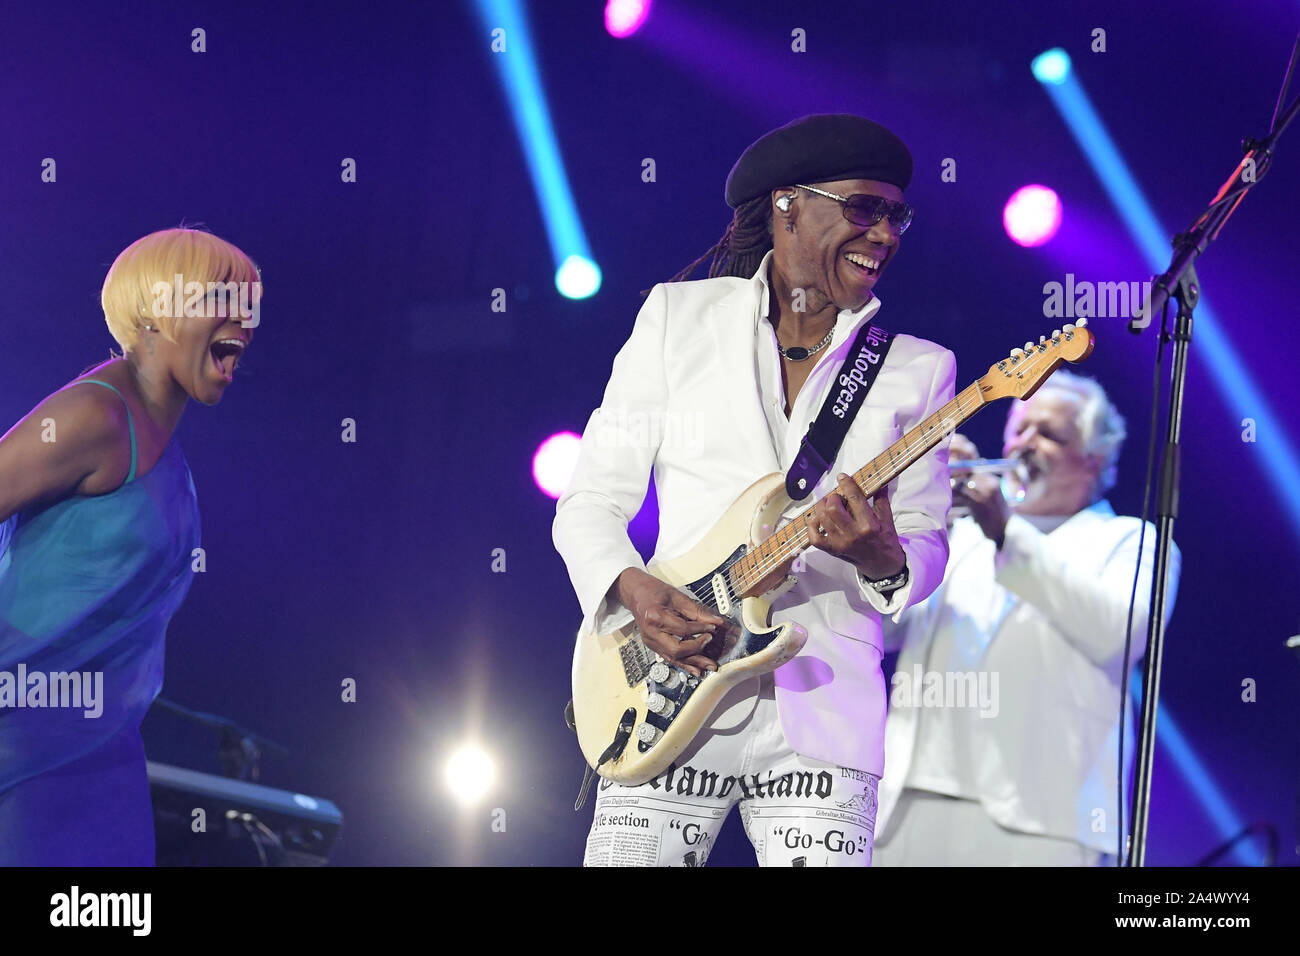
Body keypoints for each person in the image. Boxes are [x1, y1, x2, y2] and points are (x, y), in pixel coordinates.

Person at [553, 114, 956, 867]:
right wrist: (631, 590)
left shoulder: (916, 369)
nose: (886, 234)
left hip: (824, 707)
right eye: (863, 208)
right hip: (667, 686)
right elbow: (590, 502)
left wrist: (883, 557)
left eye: (896, 215)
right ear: (788, 205)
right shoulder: (676, 318)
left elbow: (927, 544)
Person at [0, 227, 260, 865]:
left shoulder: (165, 443)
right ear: (160, 307)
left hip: (102, 756)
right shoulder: (95, 415)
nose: (245, 325)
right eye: (225, 300)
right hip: (22, 751)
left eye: (251, 307)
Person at [871, 371, 1180, 866]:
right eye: (1019, 429)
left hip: (1042, 823)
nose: (1024, 444)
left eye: (1050, 434)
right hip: (910, 807)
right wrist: (912, 518)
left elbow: (1120, 637)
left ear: (1093, 460)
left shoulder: (1132, 541)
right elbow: (881, 632)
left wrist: (1007, 532)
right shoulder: (958, 535)